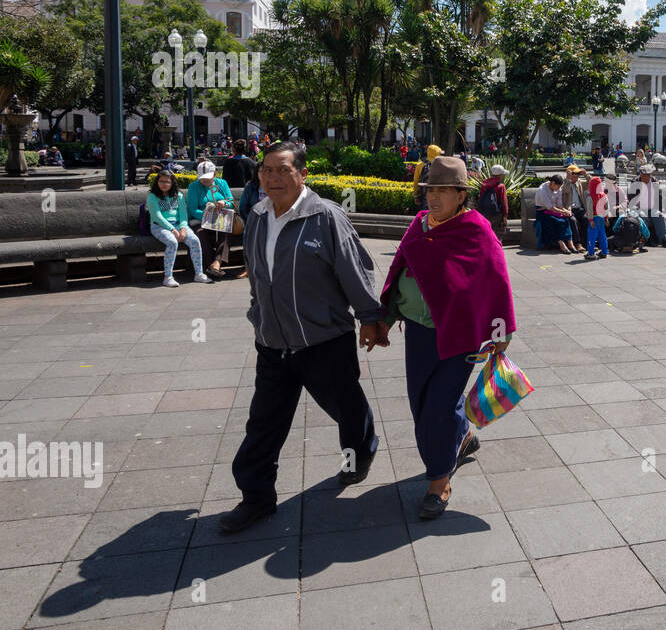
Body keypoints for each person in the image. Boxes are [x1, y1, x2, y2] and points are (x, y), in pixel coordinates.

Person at [219, 142, 390, 534]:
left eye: (282, 170)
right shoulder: (258, 216)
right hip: (273, 345)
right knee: (263, 425)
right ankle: (256, 498)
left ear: (302, 174)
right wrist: (258, 315)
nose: (272, 178)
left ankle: (359, 453)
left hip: (324, 341)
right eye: (266, 171)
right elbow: (258, 275)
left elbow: (355, 269)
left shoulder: (325, 217)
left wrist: (369, 317)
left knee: (347, 408)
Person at [378, 156, 516, 520]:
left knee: (436, 409)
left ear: (460, 194)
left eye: (442, 191)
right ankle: (464, 436)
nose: (433, 198)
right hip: (420, 333)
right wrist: (384, 319)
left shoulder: (476, 229)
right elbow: (400, 272)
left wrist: (502, 332)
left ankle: (439, 482)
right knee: (421, 404)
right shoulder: (419, 225)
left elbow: (496, 280)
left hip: (461, 335)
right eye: (429, 190)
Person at [147, 169, 210, 288]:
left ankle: (199, 273)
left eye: (167, 181)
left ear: (172, 183)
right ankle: (168, 277)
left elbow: (183, 215)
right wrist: (173, 230)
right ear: (157, 182)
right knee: (172, 242)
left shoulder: (179, 195)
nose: (164, 184)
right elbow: (157, 216)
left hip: (178, 225)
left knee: (195, 241)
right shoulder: (152, 196)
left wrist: (182, 228)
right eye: (161, 181)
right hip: (158, 226)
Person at [186, 160, 235, 279]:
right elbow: (192, 209)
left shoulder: (222, 183)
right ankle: (210, 266)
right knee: (201, 234)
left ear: (214, 174)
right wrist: (207, 216)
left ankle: (217, 263)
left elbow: (231, 202)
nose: (205, 181)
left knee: (226, 231)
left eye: (208, 178)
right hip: (201, 221)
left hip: (221, 219)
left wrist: (224, 203)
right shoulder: (193, 187)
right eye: (202, 178)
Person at [628, 163, 666, 247]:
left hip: (652, 208)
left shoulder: (654, 182)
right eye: (643, 175)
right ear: (640, 175)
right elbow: (630, 199)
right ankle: (647, 240)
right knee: (642, 217)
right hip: (639, 209)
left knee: (659, 216)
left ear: (650, 175)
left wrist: (659, 209)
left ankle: (664, 240)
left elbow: (659, 197)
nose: (645, 178)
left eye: (647, 176)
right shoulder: (634, 183)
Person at [533, 175, 578, 253]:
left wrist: (566, 211)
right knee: (556, 222)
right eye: (558, 186)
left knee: (565, 220)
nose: (558, 188)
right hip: (542, 212)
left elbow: (559, 205)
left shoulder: (558, 189)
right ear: (553, 183)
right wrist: (562, 212)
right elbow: (549, 207)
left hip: (554, 211)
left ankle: (570, 243)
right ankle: (561, 244)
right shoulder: (542, 190)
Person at [476, 164, 509, 242]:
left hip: (485, 213)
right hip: (497, 214)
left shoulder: (484, 184)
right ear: (500, 175)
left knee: (486, 234)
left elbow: (481, 197)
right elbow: (504, 201)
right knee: (497, 236)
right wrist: (505, 215)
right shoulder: (501, 186)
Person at [561, 164, 591, 247]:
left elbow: (591, 183)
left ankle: (587, 243)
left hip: (579, 209)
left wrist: (586, 174)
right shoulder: (563, 182)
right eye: (575, 175)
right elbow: (566, 190)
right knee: (573, 221)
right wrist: (568, 179)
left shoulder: (579, 183)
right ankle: (577, 244)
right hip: (568, 209)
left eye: (578, 175)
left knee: (586, 219)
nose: (577, 178)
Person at [585, 168, 610, 258]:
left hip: (594, 218)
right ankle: (604, 252)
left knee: (592, 236)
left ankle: (591, 253)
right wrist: (606, 218)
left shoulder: (590, 196)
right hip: (602, 217)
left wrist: (591, 220)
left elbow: (589, 209)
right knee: (602, 235)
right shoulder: (604, 195)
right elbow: (606, 208)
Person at [412, 145, 444, 212]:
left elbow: (415, 181)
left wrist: (415, 195)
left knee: (425, 216)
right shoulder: (441, 165)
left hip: (424, 195)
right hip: (439, 195)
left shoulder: (420, 165)